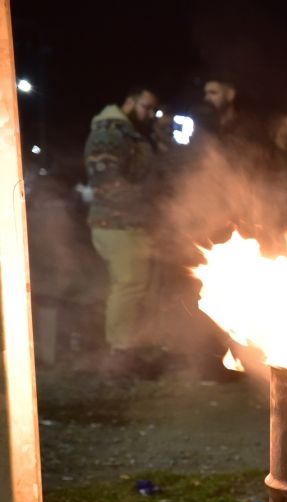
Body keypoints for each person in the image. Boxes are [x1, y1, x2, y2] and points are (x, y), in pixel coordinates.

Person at [83, 85, 161, 379]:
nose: (149, 114)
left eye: (153, 109)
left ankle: (127, 351)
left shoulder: (128, 132)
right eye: (145, 107)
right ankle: (119, 356)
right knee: (127, 286)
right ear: (129, 101)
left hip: (130, 222)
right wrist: (146, 202)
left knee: (134, 286)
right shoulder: (108, 131)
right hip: (115, 222)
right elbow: (106, 182)